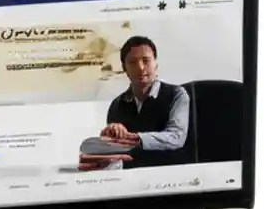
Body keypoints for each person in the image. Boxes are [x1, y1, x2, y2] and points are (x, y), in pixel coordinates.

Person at [78, 35, 191, 171]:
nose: (141, 67)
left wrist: (134, 138)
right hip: (132, 178)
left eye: (146, 60)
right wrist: (108, 142)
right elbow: (118, 156)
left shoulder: (177, 94)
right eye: (132, 62)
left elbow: (176, 137)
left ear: (156, 64)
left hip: (171, 176)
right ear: (124, 69)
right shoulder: (117, 105)